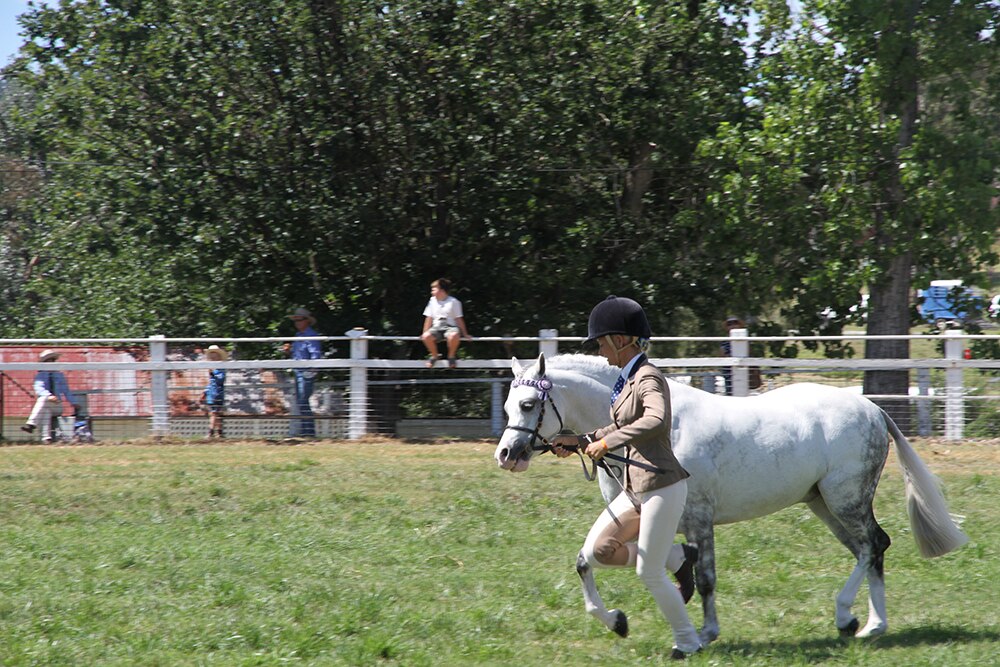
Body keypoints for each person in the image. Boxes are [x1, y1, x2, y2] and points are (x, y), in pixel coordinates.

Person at [552, 296, 702, 660]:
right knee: (597, 552)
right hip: (635, 487)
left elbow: (656, 420)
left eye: (603, 342)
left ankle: (688, 640)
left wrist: (606, 441)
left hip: (662, 486)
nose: (601, 351)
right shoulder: (627, 378)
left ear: (621, 340)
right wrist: (579, 441)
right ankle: (677, 556)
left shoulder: (648, 377)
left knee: (648, 573)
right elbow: (619, 424)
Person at [21, 349, 78, 443]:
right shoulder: (40, 375)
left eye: (52, 360)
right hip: (47, 404)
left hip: (57, 405)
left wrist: (74, 403)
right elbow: (38, 388)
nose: (51, 362)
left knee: (43, 400)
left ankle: (31, 424)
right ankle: (46, 438)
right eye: (49, 360)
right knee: (46, 409)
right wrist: (49, 396)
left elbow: (66, 391)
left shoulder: (60, 375)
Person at [283, 308, 322, 437]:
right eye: (295, 320)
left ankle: (309, 432)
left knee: (303, 401)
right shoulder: (298, 336)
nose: (297, 323)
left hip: (306, 372)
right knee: (302, 401)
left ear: (306, 321)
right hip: (298, 371)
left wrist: (312, 371)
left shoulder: (311, 336)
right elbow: (297, 355)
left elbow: (315, 354)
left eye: (299, 320)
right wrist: (288, 351)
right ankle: (306, 431)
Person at [421, 278, 471, 369]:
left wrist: (465, 334)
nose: (431, 291)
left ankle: (451, 356)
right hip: (437, 326)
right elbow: (429, 318)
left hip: (450, 326)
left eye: (434, 289)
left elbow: (459, 319)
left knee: (454, 335)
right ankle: (435, 355)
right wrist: (424, 332)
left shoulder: (454, 302)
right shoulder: (432, 301)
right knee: (426, 337)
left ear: (442, 290)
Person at [202, 345, 228, 438]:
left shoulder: (220, 369)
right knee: (215, 413)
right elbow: (211, 383)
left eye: (214, 354)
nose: (212, 356)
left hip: (217, 393)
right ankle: (219, 432)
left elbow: (220, 380)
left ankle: (211, 432)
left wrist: (213, 372)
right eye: (211, 354)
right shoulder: (213, 369)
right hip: (211, 393)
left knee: (214, 412)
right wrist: (205, 392)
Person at [719, 316, 744, 396]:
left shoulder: (745, 339)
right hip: (729, 370)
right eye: (730, 324)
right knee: (730, 391)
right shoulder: (724, 341)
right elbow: (722, 355)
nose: (733, 325)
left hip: (743, 368)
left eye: (735, 323)